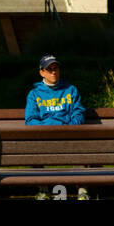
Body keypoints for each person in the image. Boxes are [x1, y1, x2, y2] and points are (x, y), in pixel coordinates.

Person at [25, 54, 89, 200]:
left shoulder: (71, 90)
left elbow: (78, 114)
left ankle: (82, 191)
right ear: (42, 72)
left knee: (81, 145)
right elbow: (31, 120)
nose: (54, 72)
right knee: (32, 146)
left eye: (56, 68)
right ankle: (43, 190)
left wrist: (68, 128)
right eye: (49, 69)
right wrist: (48, 127)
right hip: (45, 137)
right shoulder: (34, 94)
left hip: (69, 135)